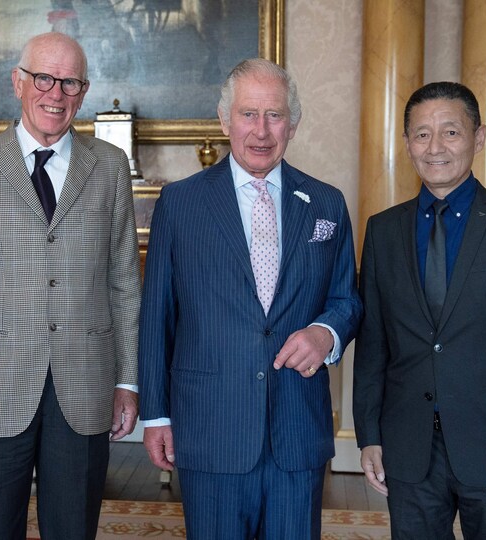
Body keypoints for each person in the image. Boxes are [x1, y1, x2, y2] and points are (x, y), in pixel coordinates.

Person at [138, 58, 363, 539]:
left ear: (294, 124)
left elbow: (347, 299)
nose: (261, 131)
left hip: (297, 430)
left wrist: (326, 332)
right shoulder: (180, 203)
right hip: (210, 427)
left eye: (275, 115)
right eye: (248, 114)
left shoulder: (326, 203)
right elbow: (157, 316)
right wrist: (156, 415)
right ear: (224, 120)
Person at [0, 32, 141, 540]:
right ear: (18, 82)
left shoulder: (110, 166)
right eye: (44, 78)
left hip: (86, 383)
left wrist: (128, 380)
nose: (56, 93)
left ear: (84, 89)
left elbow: (123, 280)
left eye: (70, 82)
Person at [353, 81, 486, 539]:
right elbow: (374, 344)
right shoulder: (383, 230)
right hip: (408, 449)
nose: (435, 147)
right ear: (407, 142)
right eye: (421, 133)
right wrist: (369, 433)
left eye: (450, 132)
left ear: (479, 138)